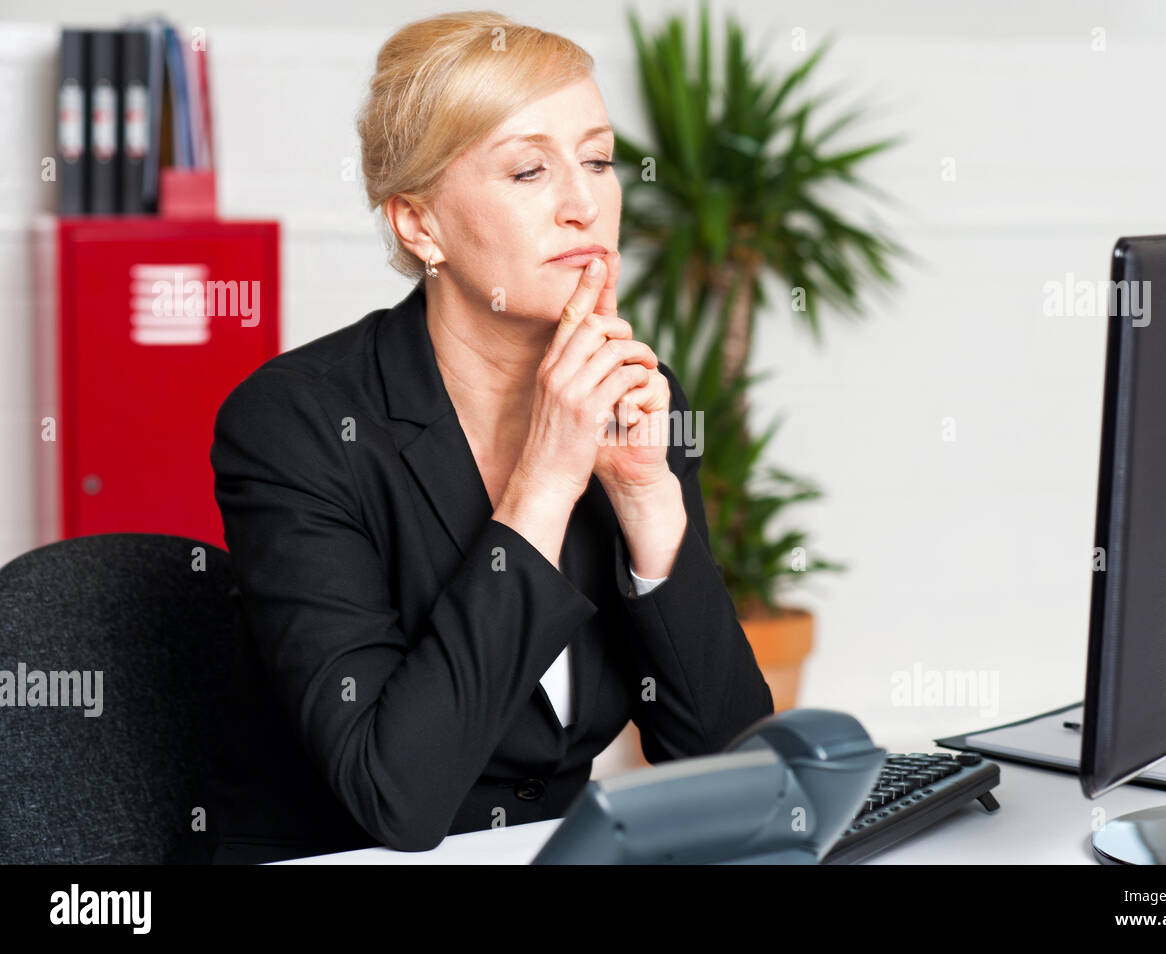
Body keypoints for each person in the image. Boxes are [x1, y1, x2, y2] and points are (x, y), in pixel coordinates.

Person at [174, 11, 773, 865]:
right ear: (420, 225)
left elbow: (737, 784)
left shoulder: (634, 394)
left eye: (598, 161)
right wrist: (547, 480)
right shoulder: (296, 426)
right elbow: (395, 798)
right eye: (530, 170)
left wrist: (646, 503)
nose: (583, 204)